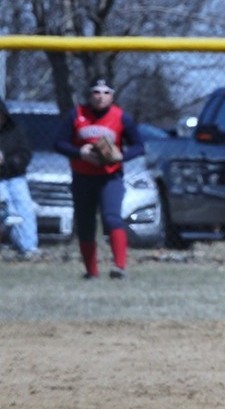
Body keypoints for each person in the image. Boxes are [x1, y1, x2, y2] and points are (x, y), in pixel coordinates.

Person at [53, 78, 144, 279]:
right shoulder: (76, 114)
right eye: (96, 92)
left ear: (112, 95)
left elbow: (139, 146)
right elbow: (58, 143)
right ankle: (91, 272)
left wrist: (122, 155)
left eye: (105, 92)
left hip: (109, 176)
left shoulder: (121, 117)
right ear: (89, 95)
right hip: (83, 176)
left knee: (112, 218)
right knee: (85, 223)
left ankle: (119, 267)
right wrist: (80, 152)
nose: (100, 97)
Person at [0, 98, 40, 260]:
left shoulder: (15, 130)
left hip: (15, 176)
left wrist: (9, 161)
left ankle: (29, 246)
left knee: (24, 209)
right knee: (7, 209)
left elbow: (25, 154)